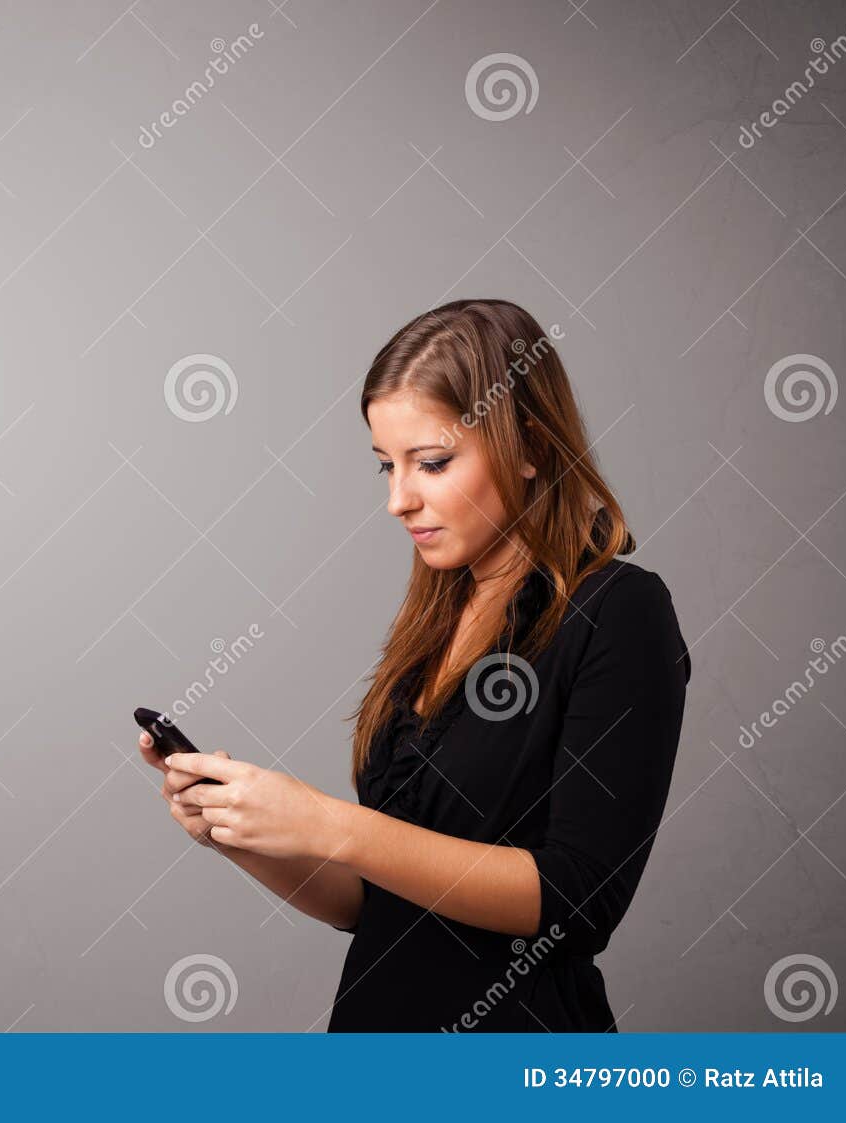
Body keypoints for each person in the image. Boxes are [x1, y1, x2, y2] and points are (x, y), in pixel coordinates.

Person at [139, 299, 691, 1032]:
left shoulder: (620, 612)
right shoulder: (432, 623)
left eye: (431, 462)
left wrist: (330, 823)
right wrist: (247, 832)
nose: (398, 500)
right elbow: (377, 904)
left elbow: (578, 902)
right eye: (385, 466)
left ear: (528, 444)